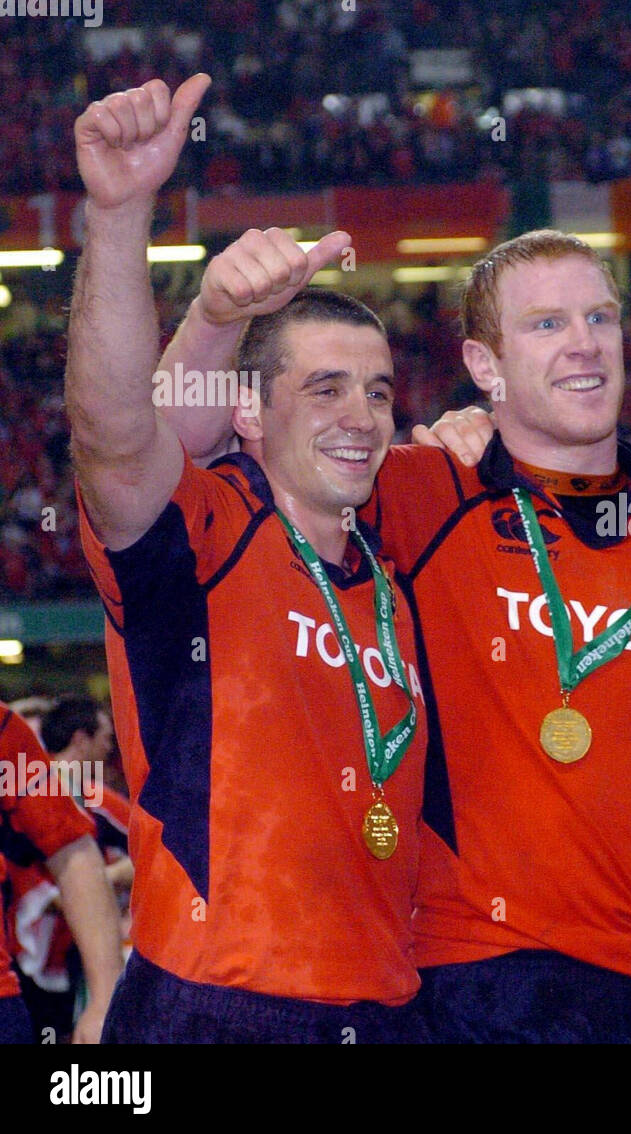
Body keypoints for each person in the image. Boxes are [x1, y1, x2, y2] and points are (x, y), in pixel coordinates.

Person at [162, 235, 631, 1044]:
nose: (584, 343)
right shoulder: (417, 487)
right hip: (463, 982)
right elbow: (178, 447)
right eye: (546, 325)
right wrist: (215, 315)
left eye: (599, 318)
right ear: (484, 364)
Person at [66, 74, 430, 1042]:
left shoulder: (391, 581)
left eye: (379, 391)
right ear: (248, 411)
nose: (361, 417)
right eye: (324, 389)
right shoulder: (206, 534)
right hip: (217, 1004)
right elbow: (111, 432)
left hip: (388, 1007)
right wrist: (119, 214)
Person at [7, 697, 131, 1041]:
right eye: (106, 738)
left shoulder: (90, 796)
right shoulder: (83, 795)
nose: (109, 749)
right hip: (32, 957)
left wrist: (94, 885)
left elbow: (152, 853)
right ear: (81, 738)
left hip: (58, 959)